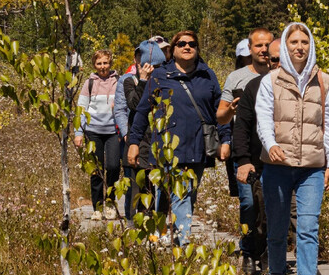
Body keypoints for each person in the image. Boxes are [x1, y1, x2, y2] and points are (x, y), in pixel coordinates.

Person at [255, 22, 329, 275]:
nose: (299, 47)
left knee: (308, 226)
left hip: (312, 167)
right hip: (277, 165)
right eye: (293, 42)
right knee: (278, 226)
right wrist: (271, 145)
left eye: (304, 42)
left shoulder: (325, 82)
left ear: (311, 45)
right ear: (285, 45)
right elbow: (263, 119)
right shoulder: (270, 81)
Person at [126, 30, 230, 245]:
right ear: (172, 50)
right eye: (181, 43)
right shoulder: (160, 75)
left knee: (186, 197)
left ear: (197, 48)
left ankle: (164, 235)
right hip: (167, 149)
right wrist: (134, 143)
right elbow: (143, 111)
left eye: (192, 43)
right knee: (179, 197)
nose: (187, 47)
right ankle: (183, 247)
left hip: (197, 147)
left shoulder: (207, 75)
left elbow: (219, 111)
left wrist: (225, 140)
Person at [221, 28, 275, 275]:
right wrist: (232, 109)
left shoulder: (281, 75)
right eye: (258, 46)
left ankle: (265, 253)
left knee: (270, 206)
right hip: (245, 153)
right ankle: (248, 251)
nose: (263, 51)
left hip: (274, 155)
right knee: (249, 203)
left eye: (267, 46)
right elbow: (220, 117)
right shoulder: (237, 78)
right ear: (249, 49)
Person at [115, 39, 168, 219]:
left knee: (161, 183)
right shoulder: (129, 81)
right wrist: (144, 81)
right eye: (141, 60)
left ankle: (159, 221)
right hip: (139, 137)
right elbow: (135, 104)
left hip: (159, 137)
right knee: (140, 184)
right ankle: (137, 221)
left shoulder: (165, 79)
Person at [74, 49, 122, 221]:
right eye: (99, 63)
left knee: (113, 167)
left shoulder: (119, 81)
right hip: (93, 131)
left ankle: (110, 203)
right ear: (94, 65)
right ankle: (97, 207)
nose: (103, 67)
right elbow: (81, 109)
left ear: (111, 64)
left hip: (113, 132)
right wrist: (78, 132)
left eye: (106, 63)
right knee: (96, 170)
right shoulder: (89, 83)